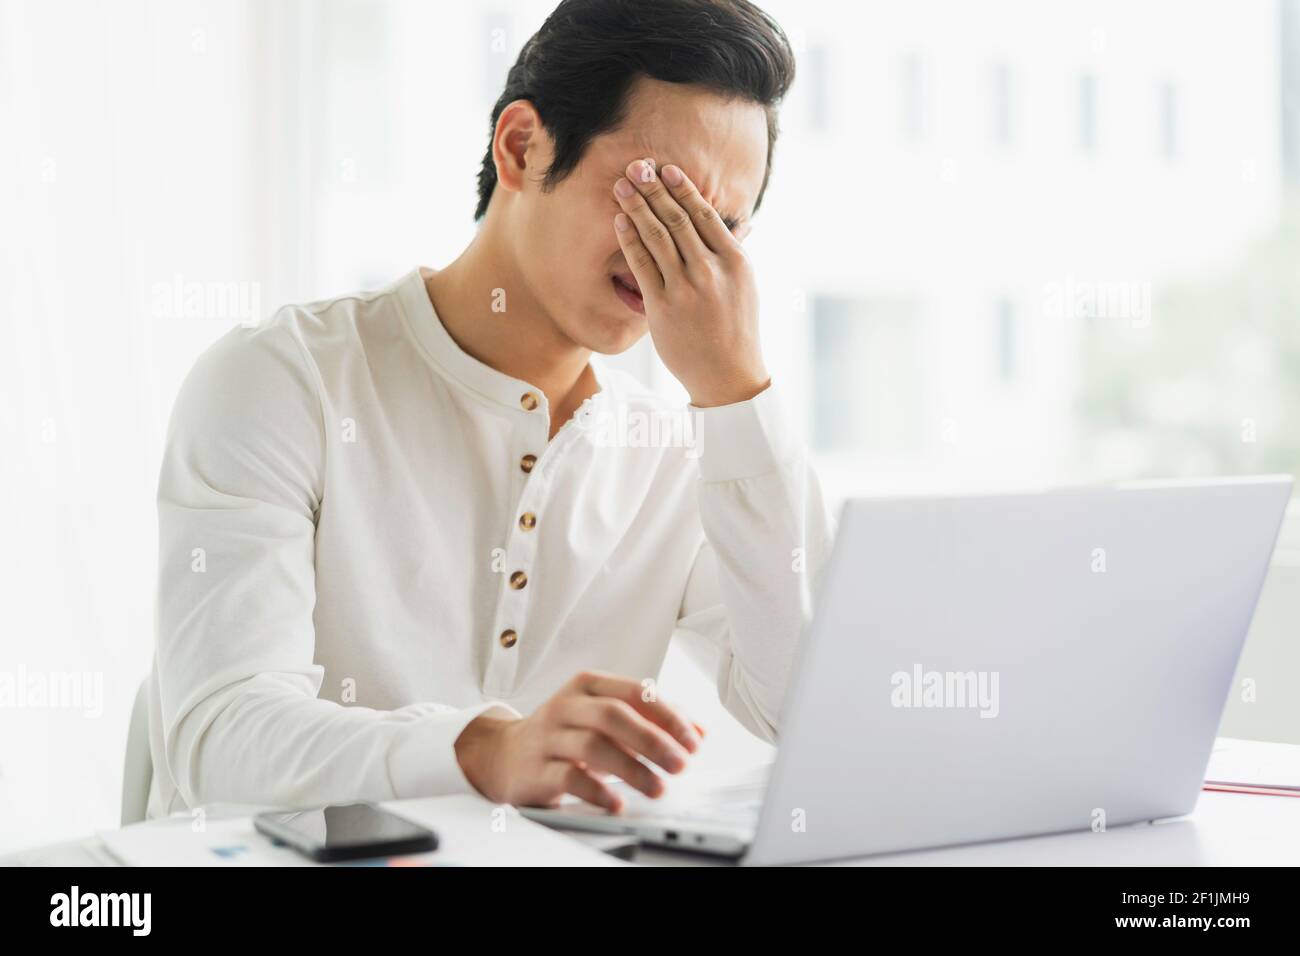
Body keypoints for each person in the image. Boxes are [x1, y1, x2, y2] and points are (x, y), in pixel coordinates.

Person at [148, 0, 831, 819]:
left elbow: (810, 711)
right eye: (657, 195)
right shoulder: (282, 383)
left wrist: (736, 391)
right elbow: (219, 740)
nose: (678, 252)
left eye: (718, 229)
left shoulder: (684, 454)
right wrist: (483, 752)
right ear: (521, 147)